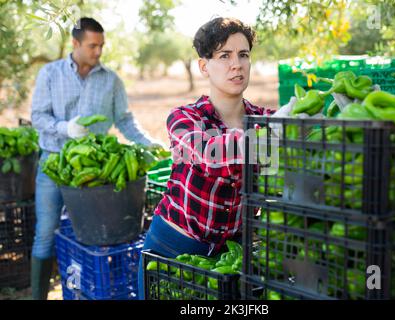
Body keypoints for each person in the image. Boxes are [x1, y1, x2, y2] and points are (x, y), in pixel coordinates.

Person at [137, 17, 296, 299]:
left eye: (243, 55)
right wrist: (270, 134)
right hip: (173, 249)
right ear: (204, 66)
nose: (236, 64)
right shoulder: (184, 118)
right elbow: (210, 155)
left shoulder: (265, 120)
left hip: (229, 256)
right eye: (224, 55)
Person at [30, 17, 163, 300]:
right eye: (92, 46)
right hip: (55, 165)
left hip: (95, 172)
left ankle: (95, 289)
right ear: (75, 44)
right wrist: (64, 128)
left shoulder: (111, 80)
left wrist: (149, 142)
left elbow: (124, 120)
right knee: (45, 233)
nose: (98, 52)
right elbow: (38, 117)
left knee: (98, 237)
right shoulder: (50, 74)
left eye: (101, 45)